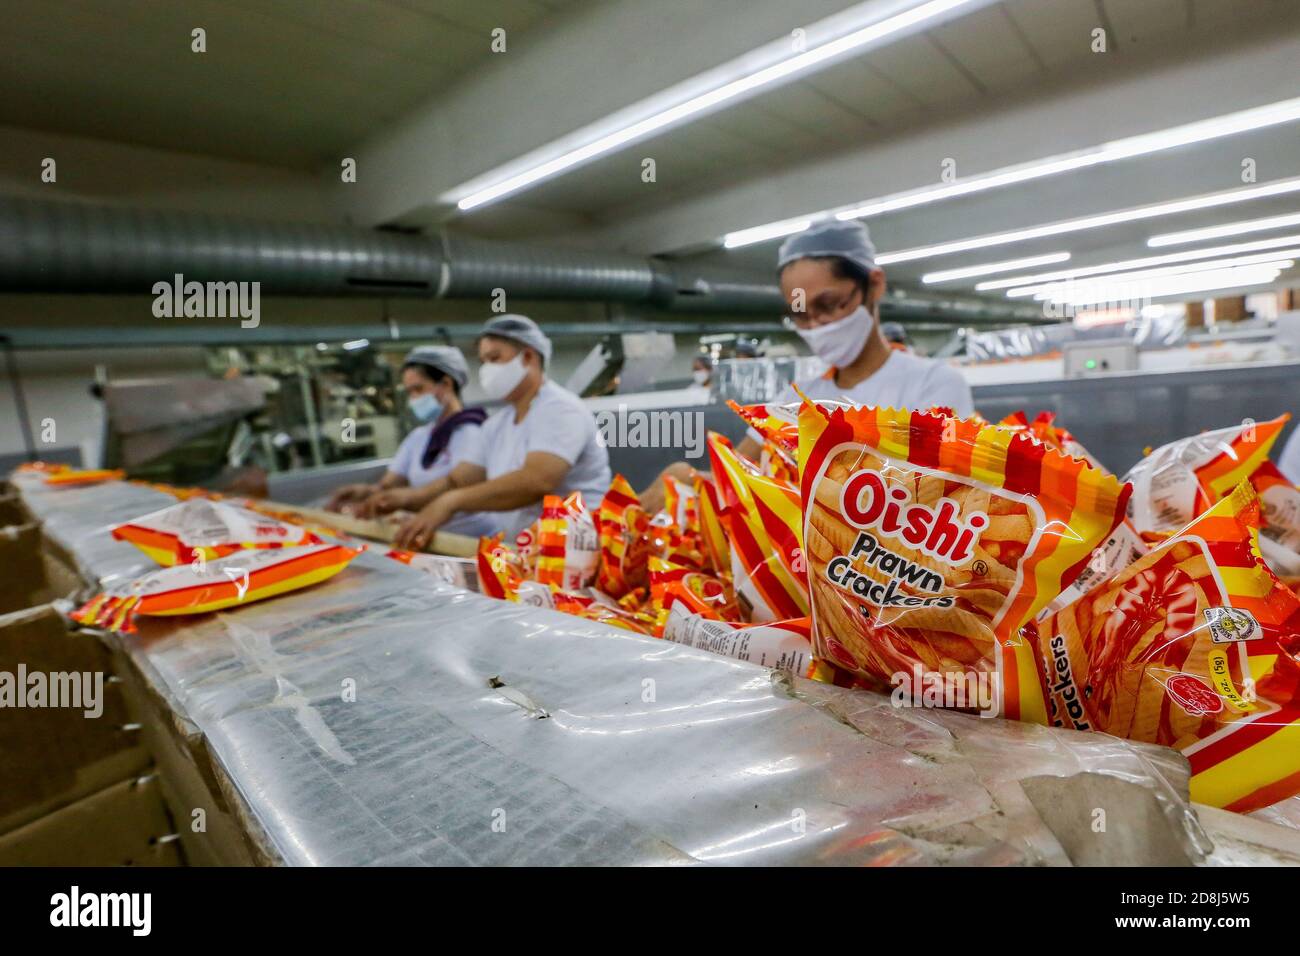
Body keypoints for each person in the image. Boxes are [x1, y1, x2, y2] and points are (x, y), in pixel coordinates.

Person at [642, 219, 973, 511]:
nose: (817, 326)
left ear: (874, 285)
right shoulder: (799, 399)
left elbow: (932, 500)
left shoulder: (933, 385)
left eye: (828, 305)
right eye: (801, 314)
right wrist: (685, 479)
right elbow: (737, 473)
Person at [392, 315, 612, 550]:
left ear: (528, 357)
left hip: (575, 551)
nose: (487, 369)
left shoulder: (560, 409)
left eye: (495, 358)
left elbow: (537, 481)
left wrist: (450, 503)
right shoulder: (498, 424)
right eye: (484, 361)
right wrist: (405, 501)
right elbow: (459, 479)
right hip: (527, 551)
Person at [325, 346, 489, 533]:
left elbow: (457, 482)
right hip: (428, 536)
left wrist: (408, 498)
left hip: (472, 540)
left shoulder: (474, 432)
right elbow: (391, 483)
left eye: (418, 389)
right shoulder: (419, 437)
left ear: (446, 384)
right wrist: (367, 493)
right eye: (409, 392)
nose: (413, 399)